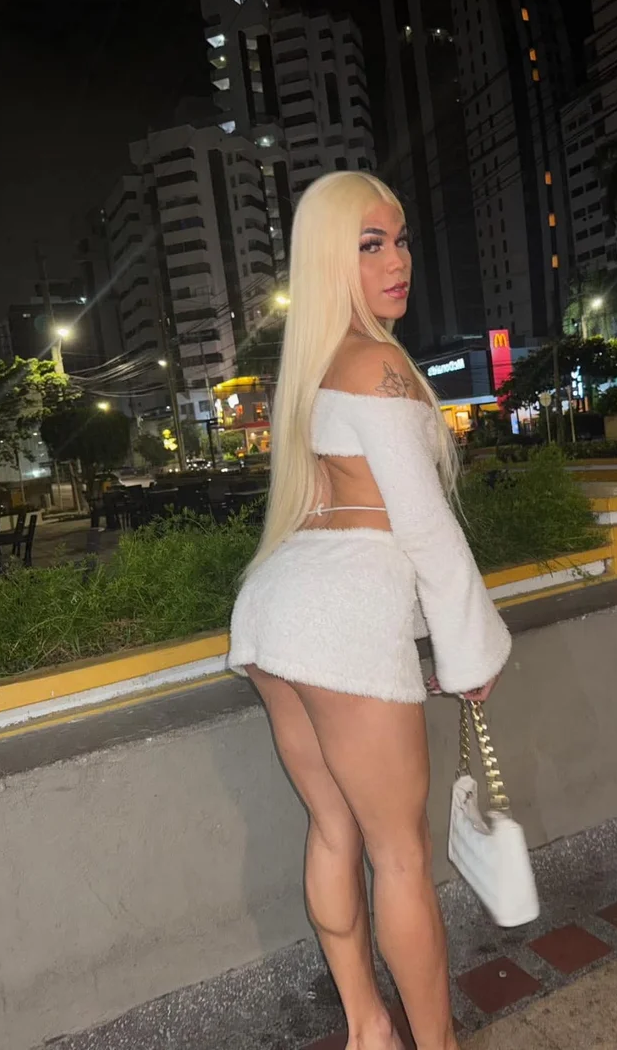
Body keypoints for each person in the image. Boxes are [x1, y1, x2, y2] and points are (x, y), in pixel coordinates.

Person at [228, 171, 511, 1050]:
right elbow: (422, 526)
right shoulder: (379, 366)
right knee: (400, 856)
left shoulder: (316, 368)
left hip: (276, 609)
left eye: (401, 239)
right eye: (370, 244)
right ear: (329, 260)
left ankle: (367, 1028)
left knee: (333, 827)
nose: (399, 262)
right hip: (339, 617)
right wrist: (470, 652)